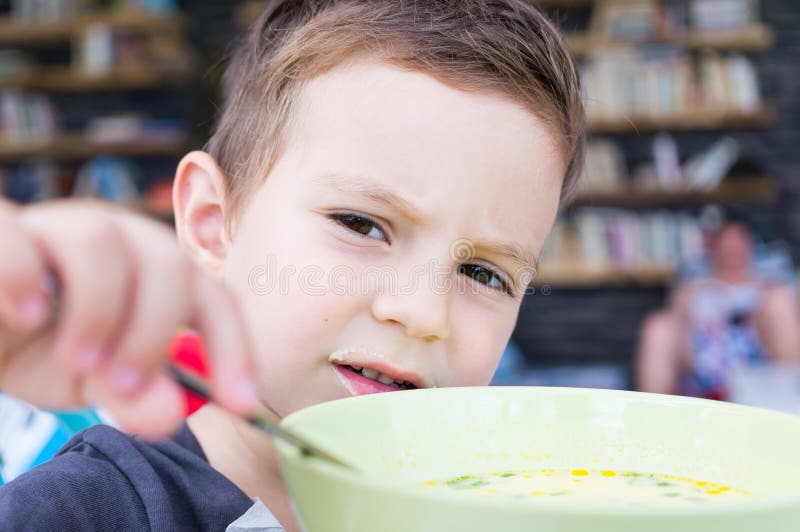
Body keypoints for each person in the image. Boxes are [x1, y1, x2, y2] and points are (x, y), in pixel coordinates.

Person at [0, 1, 585, 530]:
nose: (424, 313)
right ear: (211, 223)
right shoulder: (82, 511)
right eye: (361, 225)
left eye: (484, 273)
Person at [636, 222, 800, 400]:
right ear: (713, 249)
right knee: (658, 326)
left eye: (738, 243)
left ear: (749, 247)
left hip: (754, 358)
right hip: (701, 361)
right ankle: (652, 407)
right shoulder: (693, 287)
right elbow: (676, 326)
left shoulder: (767, 288)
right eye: (726, 244)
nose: (732, 250)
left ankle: (791, 397)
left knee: (780, 302)